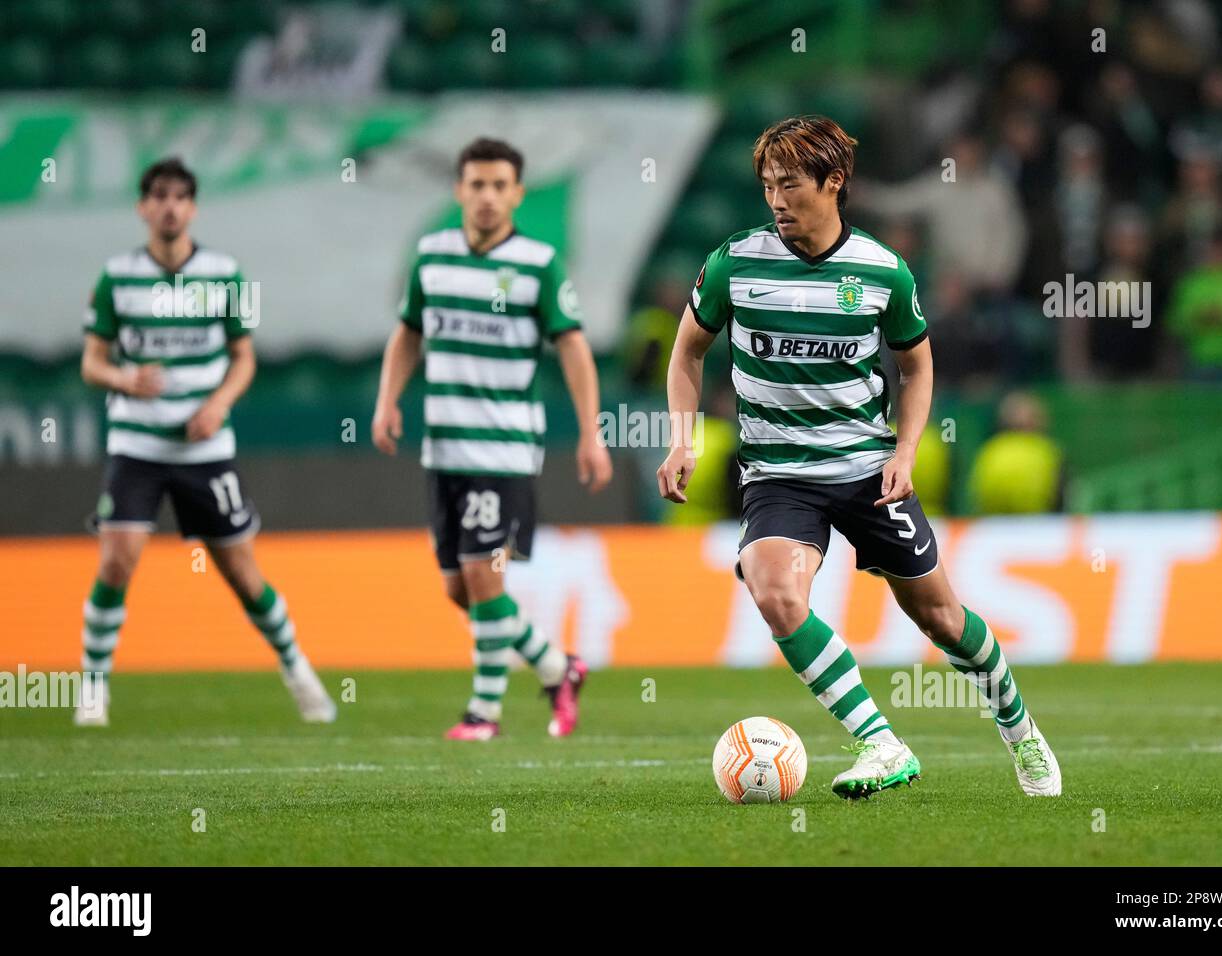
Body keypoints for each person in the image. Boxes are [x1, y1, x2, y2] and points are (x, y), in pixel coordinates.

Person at [657, 116, 1061, 798]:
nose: (776, 200)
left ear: (834, 181)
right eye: (767, 186)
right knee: (774, 589)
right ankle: (881, 742)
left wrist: (905, 450)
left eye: (789, 184)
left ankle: (1019, 728)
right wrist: (681, 437)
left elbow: (918, 367)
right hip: (780, 473)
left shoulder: (879, 272)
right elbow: (687, 352)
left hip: (866, 469)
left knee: (941, 619)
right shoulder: (735, 262)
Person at [77, 157, 335, 726]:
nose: (169, 207)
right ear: (143, 207)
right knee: (117, 562)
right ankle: (92, 688)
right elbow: (92, 362)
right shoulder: (116, 276)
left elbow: (245, 357)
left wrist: (218, 403)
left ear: (193, 208)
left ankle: (298, 671)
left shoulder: (226, 273)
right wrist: (124, 378)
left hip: (204, 450)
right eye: (159, 196)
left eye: (179, 197)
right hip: (137, 445)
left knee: (242, 574)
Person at [372, 138, 612, 741]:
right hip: (444, 448)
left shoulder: (537, 262)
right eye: (476, 184)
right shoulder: (431, 257)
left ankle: (483, 713)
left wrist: (591, 432)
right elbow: (407, 333)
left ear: (517, 194)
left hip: (503, 449)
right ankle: (559, 666)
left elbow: (574, 347)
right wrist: (386, 402)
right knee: (461, 588)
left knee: (484, 574)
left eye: (499, 185)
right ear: (459, 190)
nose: (486, 196)